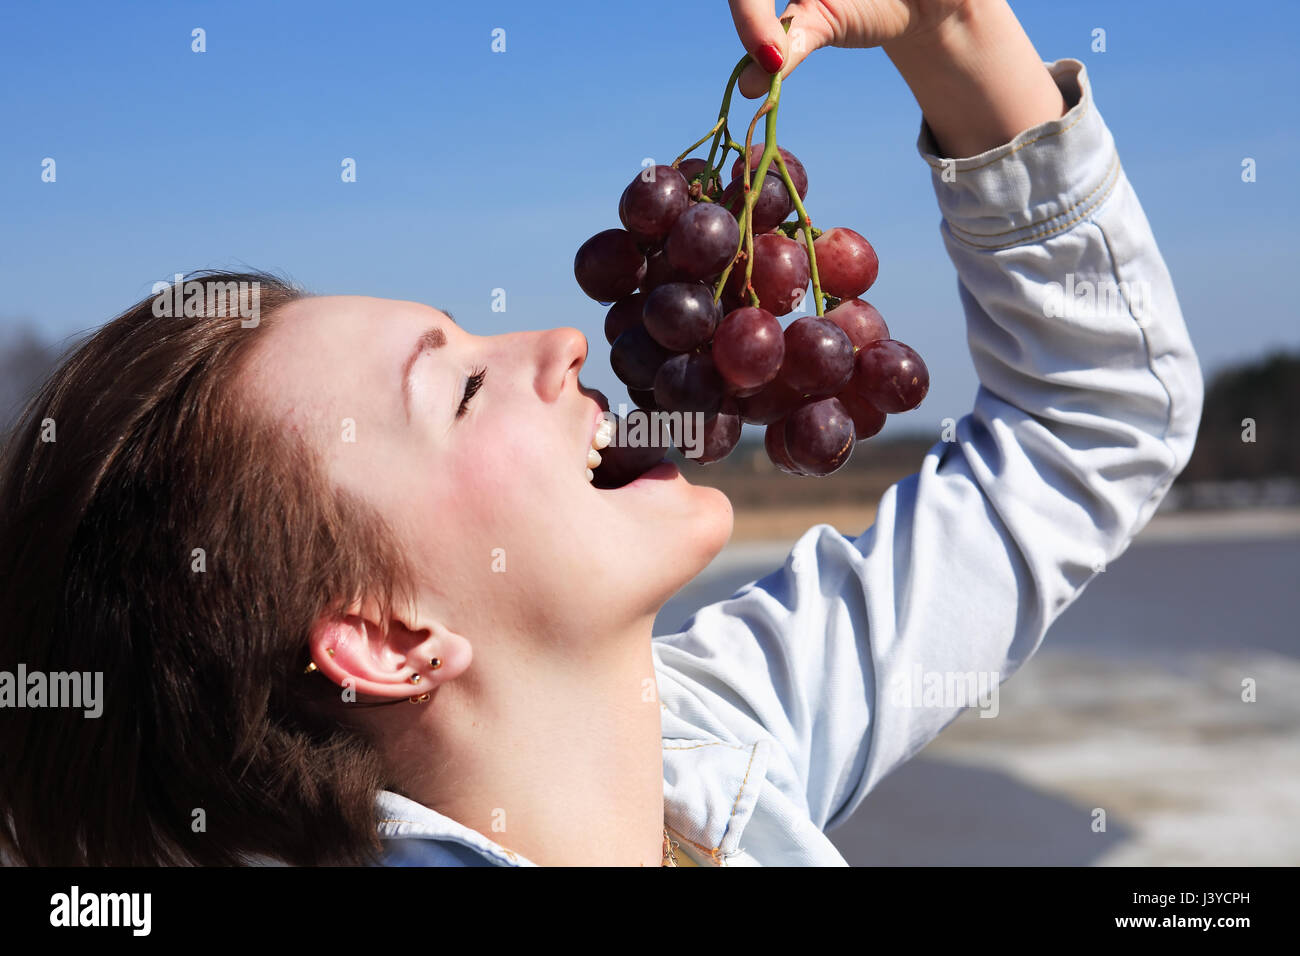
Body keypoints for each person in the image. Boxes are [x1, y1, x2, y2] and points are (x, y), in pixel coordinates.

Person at [0, 0, 1202, 867]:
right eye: (461, 387)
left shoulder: (702, 750)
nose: (562, 343)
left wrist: (954, 35)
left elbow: (1085, 423)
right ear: (383, 638)